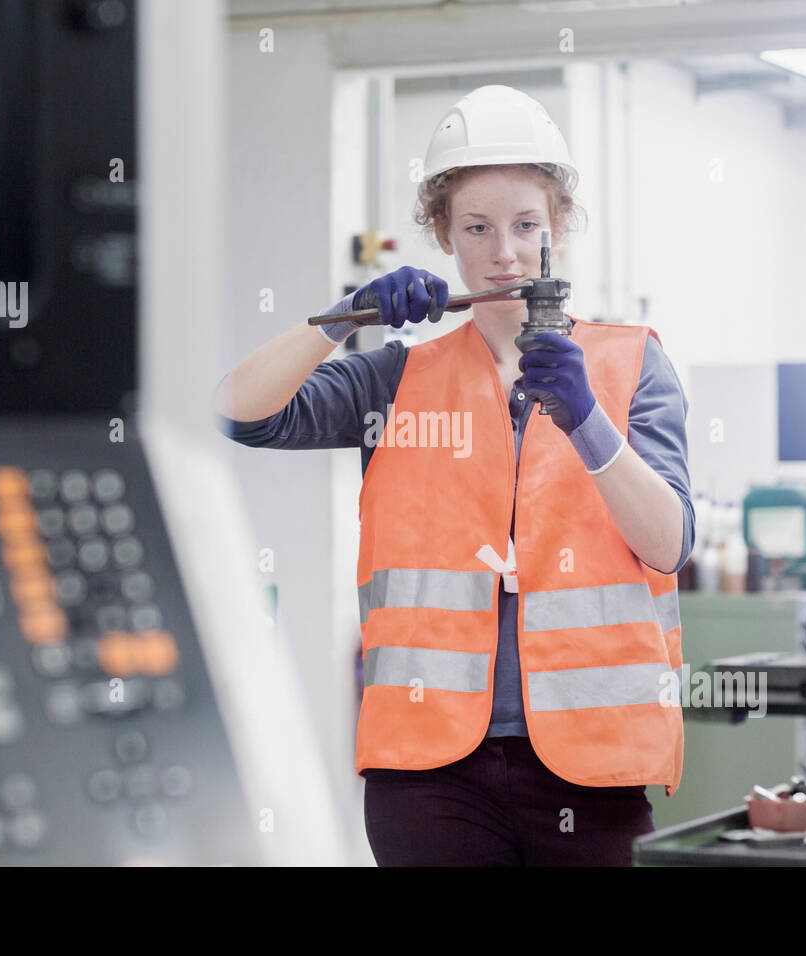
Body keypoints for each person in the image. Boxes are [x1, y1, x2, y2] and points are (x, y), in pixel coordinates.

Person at [215, 85, 694, 866]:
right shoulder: (394, 380)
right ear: (443, 234)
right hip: (431, 780)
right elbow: (239, 412)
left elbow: (670, 543)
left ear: (558, 229)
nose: (504, 251)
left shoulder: (632, 363)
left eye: (526, 225)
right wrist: (344, 321)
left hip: (595, 775)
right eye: (477, 227)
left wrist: (586, 421)